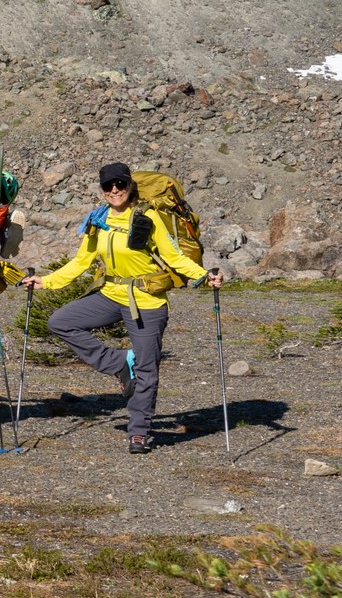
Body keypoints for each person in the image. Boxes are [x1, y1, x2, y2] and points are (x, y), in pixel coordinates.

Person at [22, 161, 221, 454]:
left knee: (147, 369)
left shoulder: (148, 216)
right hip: (112, 294)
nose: (115, 190)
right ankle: (118, 363)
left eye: (120, 184)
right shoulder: (99, 219)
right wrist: (47, 282)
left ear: (129, 185)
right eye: (108, 186)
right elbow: (82, 261)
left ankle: (138, 432)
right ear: (102, 190)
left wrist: (204, 276)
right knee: (61, 321)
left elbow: (174, 256)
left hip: (146, 301)